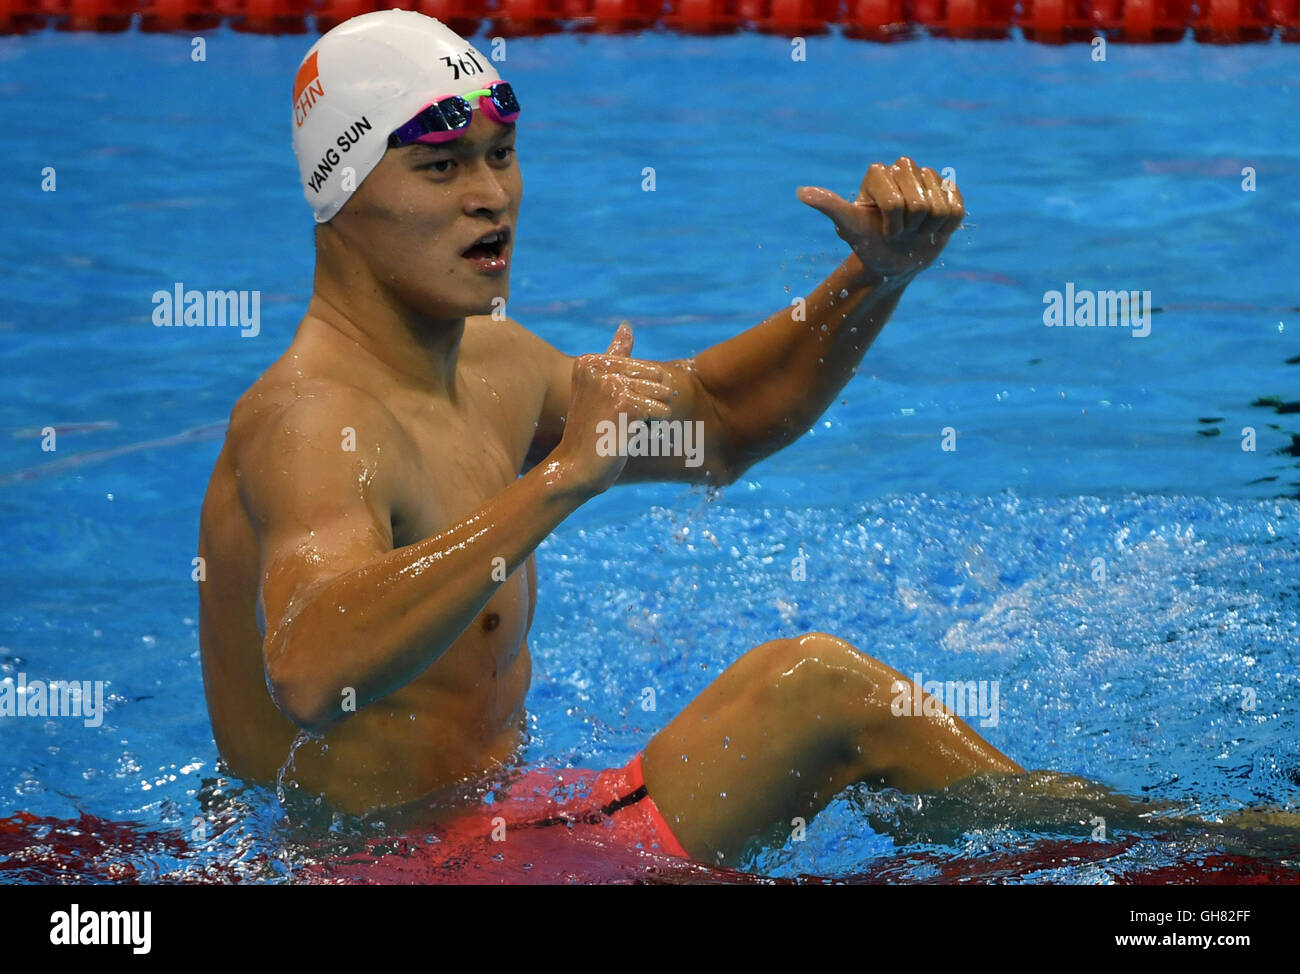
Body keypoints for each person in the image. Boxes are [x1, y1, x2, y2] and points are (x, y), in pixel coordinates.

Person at [197, 8, 1021, 868]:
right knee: (822, 695)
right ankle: (1156, 868)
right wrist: (558, 480)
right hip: (384, 867)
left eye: (500, 155)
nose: (489, 195)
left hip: (502, 831)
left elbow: (721, 422)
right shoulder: (315, 418)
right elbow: (310, 669)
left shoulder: (494, 366)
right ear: (341, 194)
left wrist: (873, 280)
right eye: (440, 166)